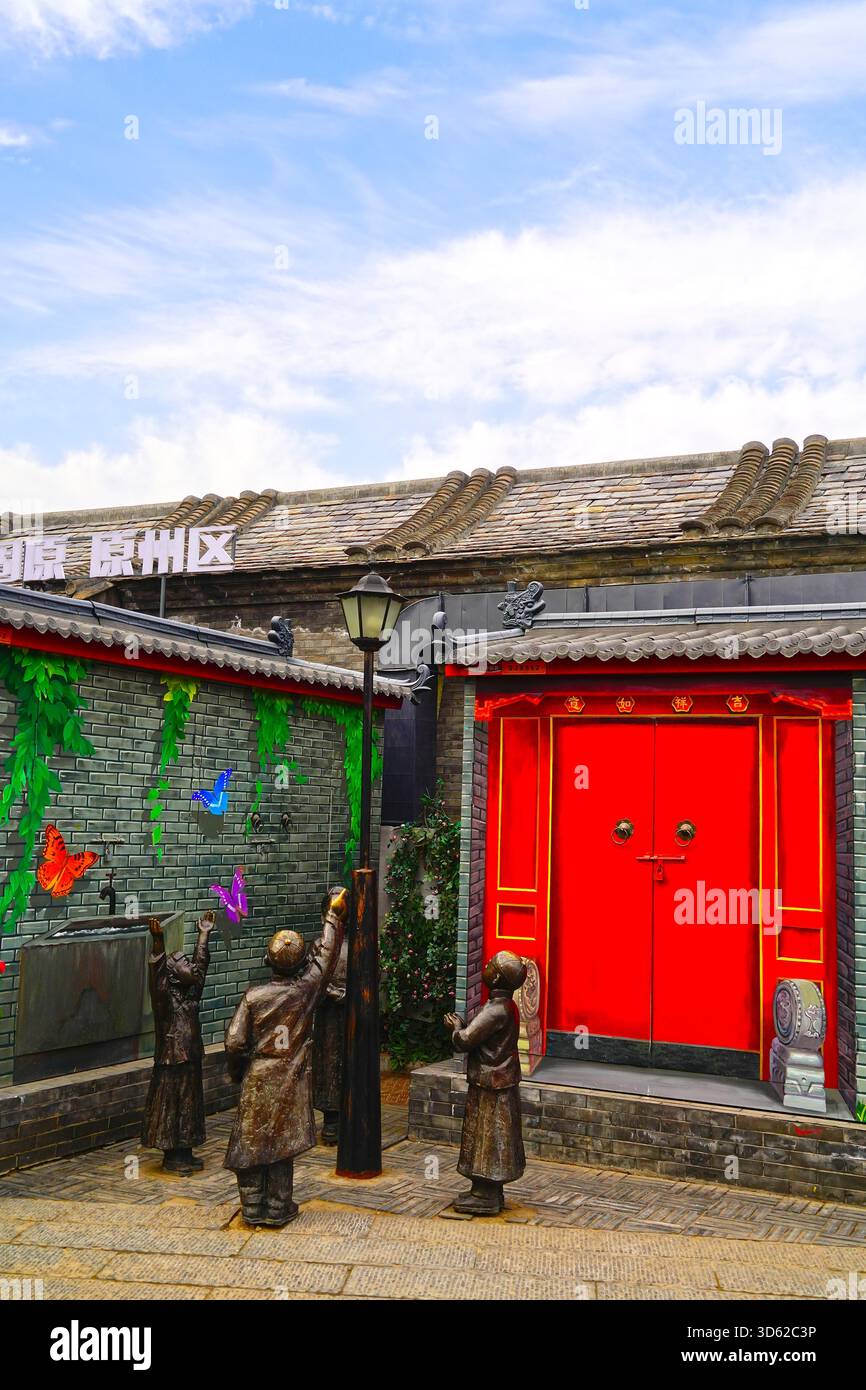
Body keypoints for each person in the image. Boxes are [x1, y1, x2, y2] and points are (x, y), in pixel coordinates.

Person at [224, 886, 348, 1227]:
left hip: (259, 1075)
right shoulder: (303, 993)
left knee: (250, 1142)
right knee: (281, 1143)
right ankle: (279, 1206)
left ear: (268, 960)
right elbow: (324, 960)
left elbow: (234, 1043)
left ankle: (251, 1206)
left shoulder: (253, 997)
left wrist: (238, 1072)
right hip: (289, 1077)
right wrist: (333, 917)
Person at [444, 950, 527, 1215]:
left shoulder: (495, 1009)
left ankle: (485, 1194)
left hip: (490, 1083)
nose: (487, 966)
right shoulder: (506, 1006)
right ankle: (489, 1191)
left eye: (492, 965)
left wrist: (455, 1027)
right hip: (499, 1081)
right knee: (493, 1136)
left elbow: (465, 1040)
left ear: (498, 977)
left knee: (486, 1136)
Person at [141, 911, 214, 1175]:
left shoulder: (191, 994)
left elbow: (200, 967)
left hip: (190, 1057)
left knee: (189, 1104)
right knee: (173, 1105)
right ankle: (173, 1156)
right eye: (184, 963)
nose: (190, 966)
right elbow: (157, 976)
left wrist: (203, 935)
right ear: (173, 976)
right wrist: (158, 944)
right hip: (172, 1061)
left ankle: (186, 1151)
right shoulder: (165, 1000)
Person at [312, 889, 349, 1145]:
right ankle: (331, 1122)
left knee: (349, 1064)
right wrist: (331, 992)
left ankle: (350, 1116)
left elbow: (372, 977)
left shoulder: (359, 943)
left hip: (352, 1017)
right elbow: (311, 979)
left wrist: (351, 994)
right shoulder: (319, 944)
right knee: (328, 1064)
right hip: (327, 1017)